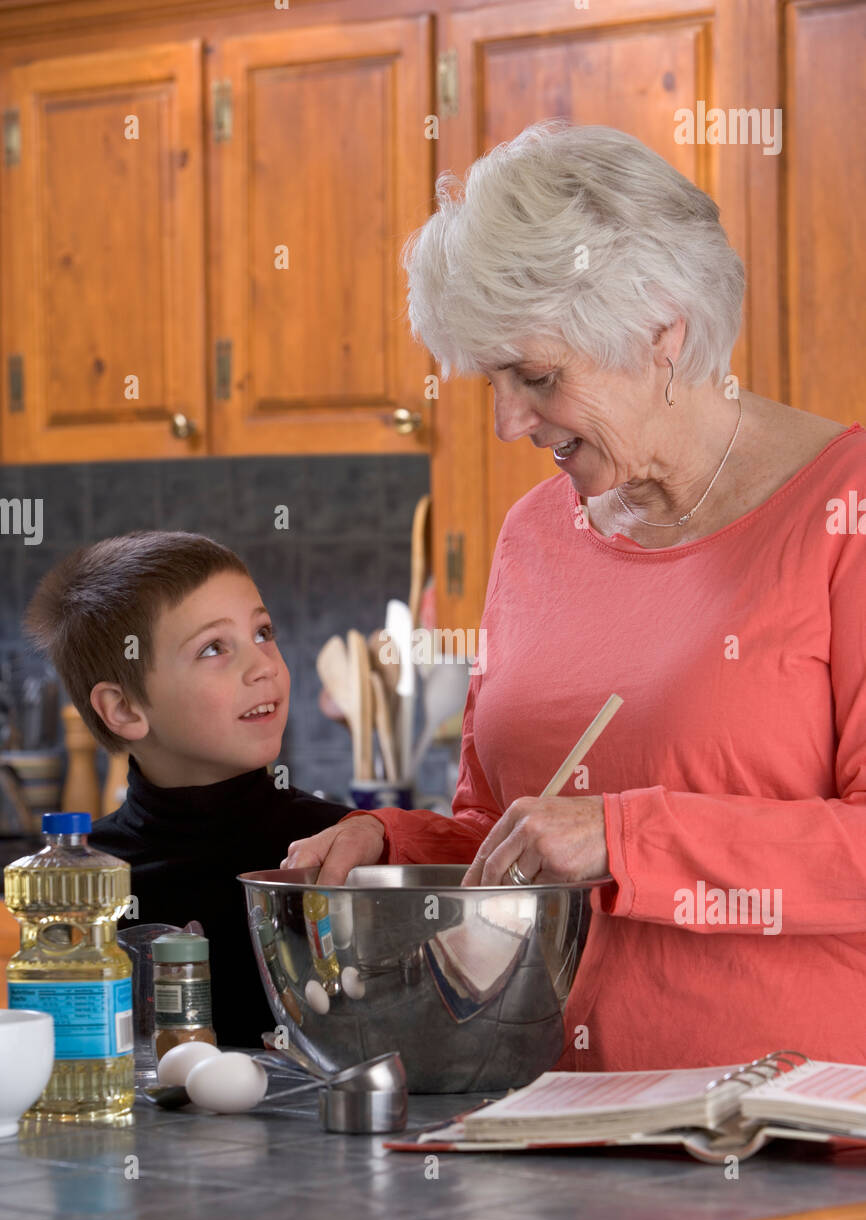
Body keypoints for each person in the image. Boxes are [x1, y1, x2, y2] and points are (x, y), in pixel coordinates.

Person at [283, 120, 866, 1071]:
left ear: (662, 335)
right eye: (493, 381)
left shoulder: (848, 511)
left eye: (539, 376)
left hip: (780, 1136)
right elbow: (511, 829)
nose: (510, 419)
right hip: (540, 1112)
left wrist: (628, 836)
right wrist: (393, 839)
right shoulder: (536, 536)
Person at [23, 530, 353, 1046]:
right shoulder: (82, 885)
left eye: (263, 632)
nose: (264, 666)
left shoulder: (340, 843)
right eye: (214, 648)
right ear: (126, 709)